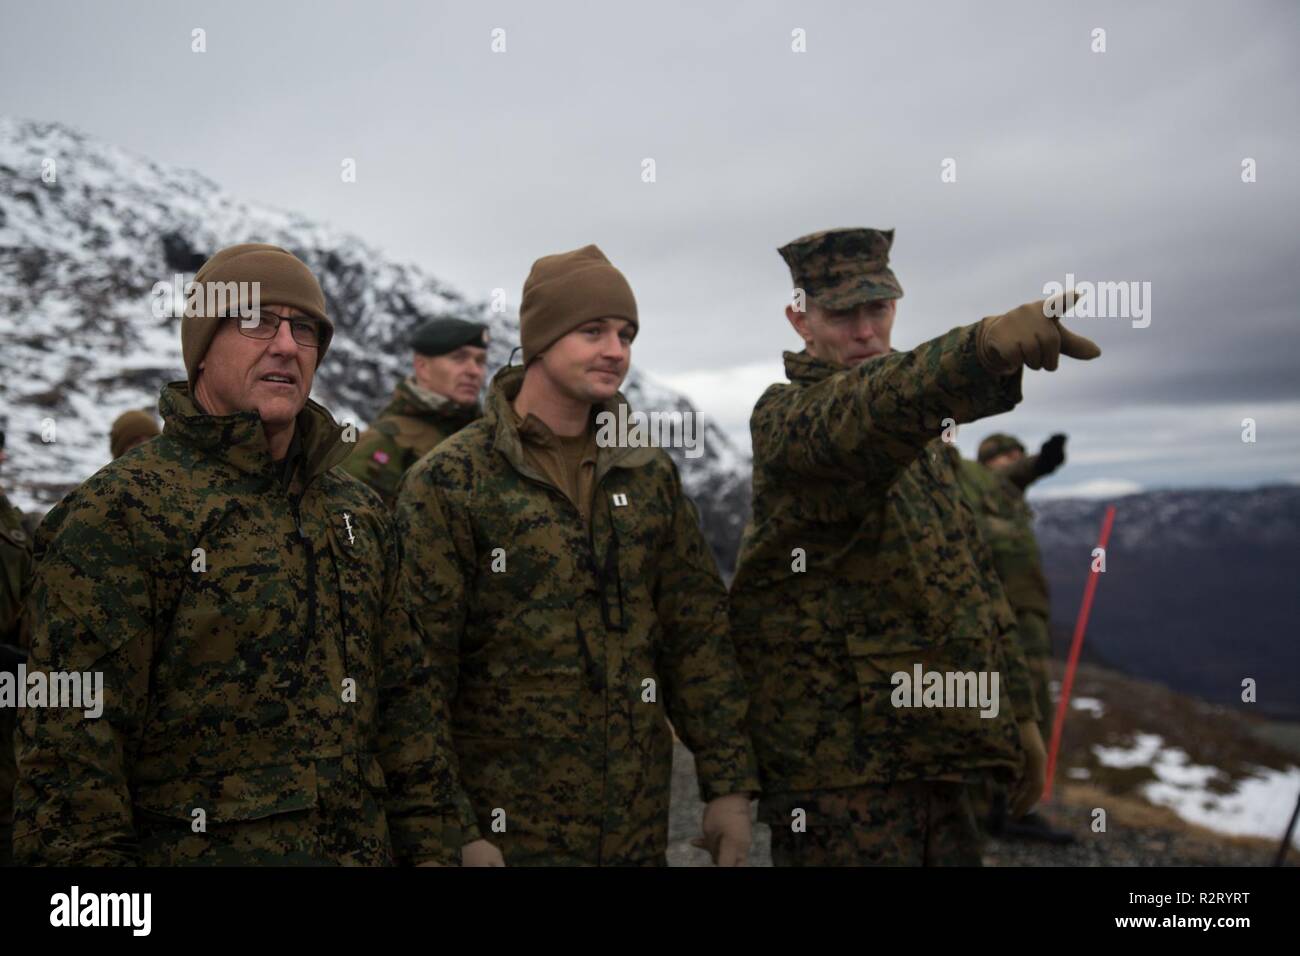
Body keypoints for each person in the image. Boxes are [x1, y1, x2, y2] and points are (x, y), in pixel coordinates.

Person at [13, 243, 460, 865]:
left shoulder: (356, 514)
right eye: (254, 320)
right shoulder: (118, 515)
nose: (285, 345)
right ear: (202, 347)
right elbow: (68, 784)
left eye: (304, 328)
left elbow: (410, 723)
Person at [730, 227, 1100, 866]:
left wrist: (1018, 712)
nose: (866, 330)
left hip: (940, 751)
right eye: (842, 313)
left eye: (877, 309)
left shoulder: (926, 443)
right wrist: (977, 349)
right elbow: (870, 407)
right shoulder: (788, 421)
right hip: (840, 774)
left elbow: (971, 579)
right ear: (800, 318)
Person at [397, 244, 759, 866]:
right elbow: (414, 672)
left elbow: (694, 634)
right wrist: (449, 830)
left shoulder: (646, 472)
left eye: (626, 333)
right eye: (592, 330)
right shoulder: (452, 480)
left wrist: (728, 784)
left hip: (634, 833)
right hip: (508, 839)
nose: (616, 349)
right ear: (540, 340)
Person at [343, 318, 487, 506]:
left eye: (480, 361)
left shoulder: (490, 437)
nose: (474, 371)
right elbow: (348, 527)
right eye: (459, 358)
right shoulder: (382, 443)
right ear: (423, 367)